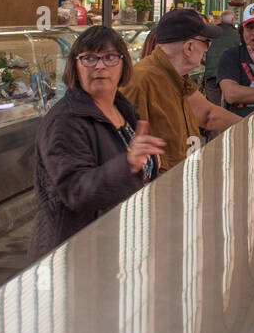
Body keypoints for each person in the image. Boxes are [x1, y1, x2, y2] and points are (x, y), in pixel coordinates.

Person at [28, 27, 165, 262]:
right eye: (89, 58)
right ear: (75, 66)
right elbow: (76, 190)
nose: (100, 66)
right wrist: (129, 164)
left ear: (123, 64)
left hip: (115, 246)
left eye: (110, 57)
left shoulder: (124, 110)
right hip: (72, 255)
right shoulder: (65, 121)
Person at [122, 9, 238, 169]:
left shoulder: (176, 76)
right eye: (206, 42)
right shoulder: (141, 80)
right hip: (164, 187)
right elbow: (126, 151)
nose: (207, 49)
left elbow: (207, 115)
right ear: (189, 47)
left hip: (183, 179)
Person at [202, 9, 240, 104]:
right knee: (230, 104)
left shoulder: (212, 32)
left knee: (213, 106)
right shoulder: (238, 35)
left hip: (211, 74)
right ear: (232, 21)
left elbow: (203, 52)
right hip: (230, 75)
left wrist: (207, 64)